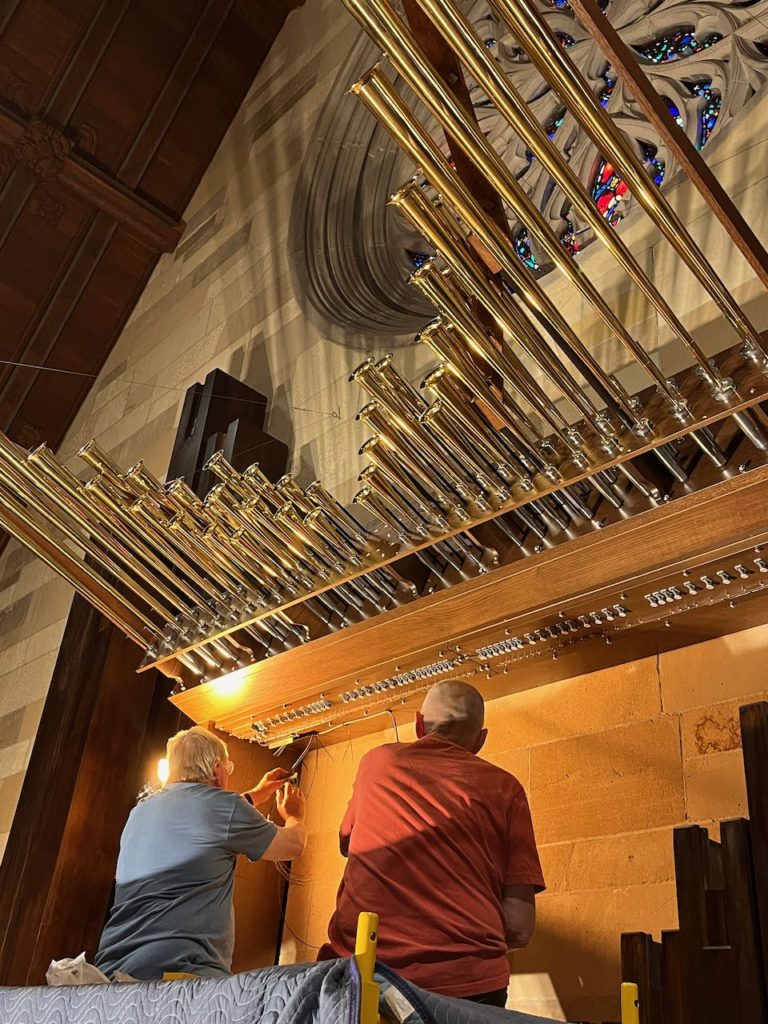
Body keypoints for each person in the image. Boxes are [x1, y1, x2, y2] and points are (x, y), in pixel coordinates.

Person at [319, 680, 544, 1007]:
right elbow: (520, 928)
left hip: (367, 980)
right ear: (480, 741)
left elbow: (347, 843)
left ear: (419, 724)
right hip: (470, 988)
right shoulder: (507, 789)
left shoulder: (377, 763)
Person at [96, 725, 306, 980]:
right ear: (218, 770)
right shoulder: (222, 807)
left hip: (112, 979)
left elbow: (202, 820)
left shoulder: (140, 811)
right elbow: (292, 846)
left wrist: (255, 795)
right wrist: (295, 815)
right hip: (178, 977)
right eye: (228, 769)